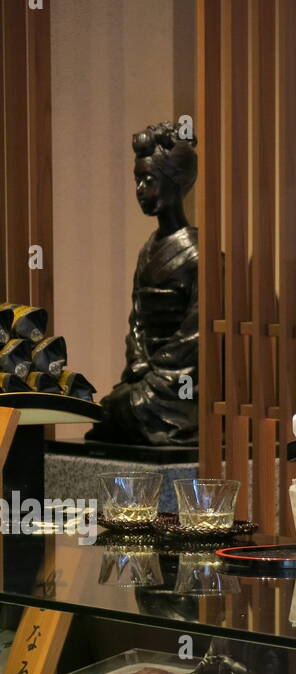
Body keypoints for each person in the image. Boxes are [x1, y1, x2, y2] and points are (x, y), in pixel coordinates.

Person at [88, 122, 199, 446]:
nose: (139, 189)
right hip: (147, 373)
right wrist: (137, 359)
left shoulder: (197, 254)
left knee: (122, 412)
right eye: (137, 180)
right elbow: (136, 317)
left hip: (180, 380)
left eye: (148, 180)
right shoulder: (148, 249)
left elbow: (194, 335)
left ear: (175, 183)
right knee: (107, 412)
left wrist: (155, 368)